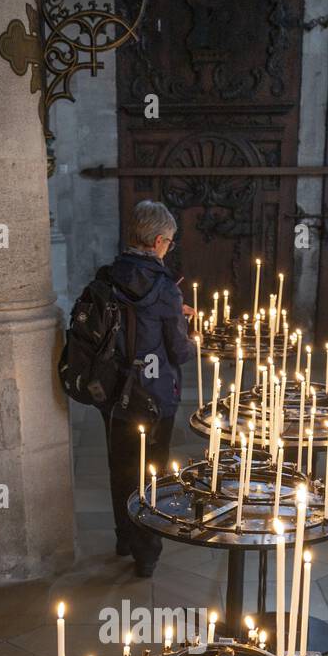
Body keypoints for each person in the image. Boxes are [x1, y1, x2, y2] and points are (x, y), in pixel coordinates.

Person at [103, 201, 194, 577]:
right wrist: (191, 335)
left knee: (121, 466)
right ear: (158, 241)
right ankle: (148, 552)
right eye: (169, 243)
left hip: (115, 394)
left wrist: (173, 312)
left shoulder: (106, 278)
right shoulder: (163, 288)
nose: (169, 248)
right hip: (156, 396)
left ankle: (125, 537)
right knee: (152, 470)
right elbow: (178, 351)